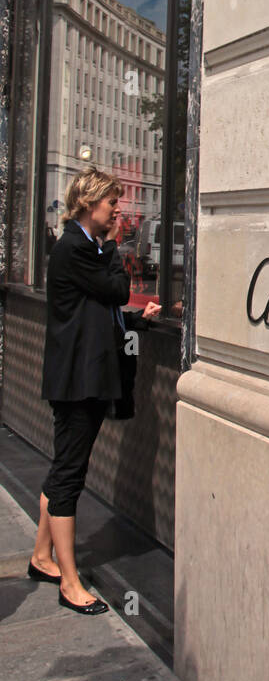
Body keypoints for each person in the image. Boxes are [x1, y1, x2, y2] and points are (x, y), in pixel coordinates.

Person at [29, 168, 161, 613]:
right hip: (77, 379)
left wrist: (137, 321)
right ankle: (70, 584)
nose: (118, 211)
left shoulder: (81, 248)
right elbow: (117, 288)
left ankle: (42, 556)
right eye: (111, 204)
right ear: (89, 206)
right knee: (69, 475)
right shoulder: (76, 249)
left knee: (65, 466)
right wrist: (110, 248)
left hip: (78, 375)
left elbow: (98, 308)